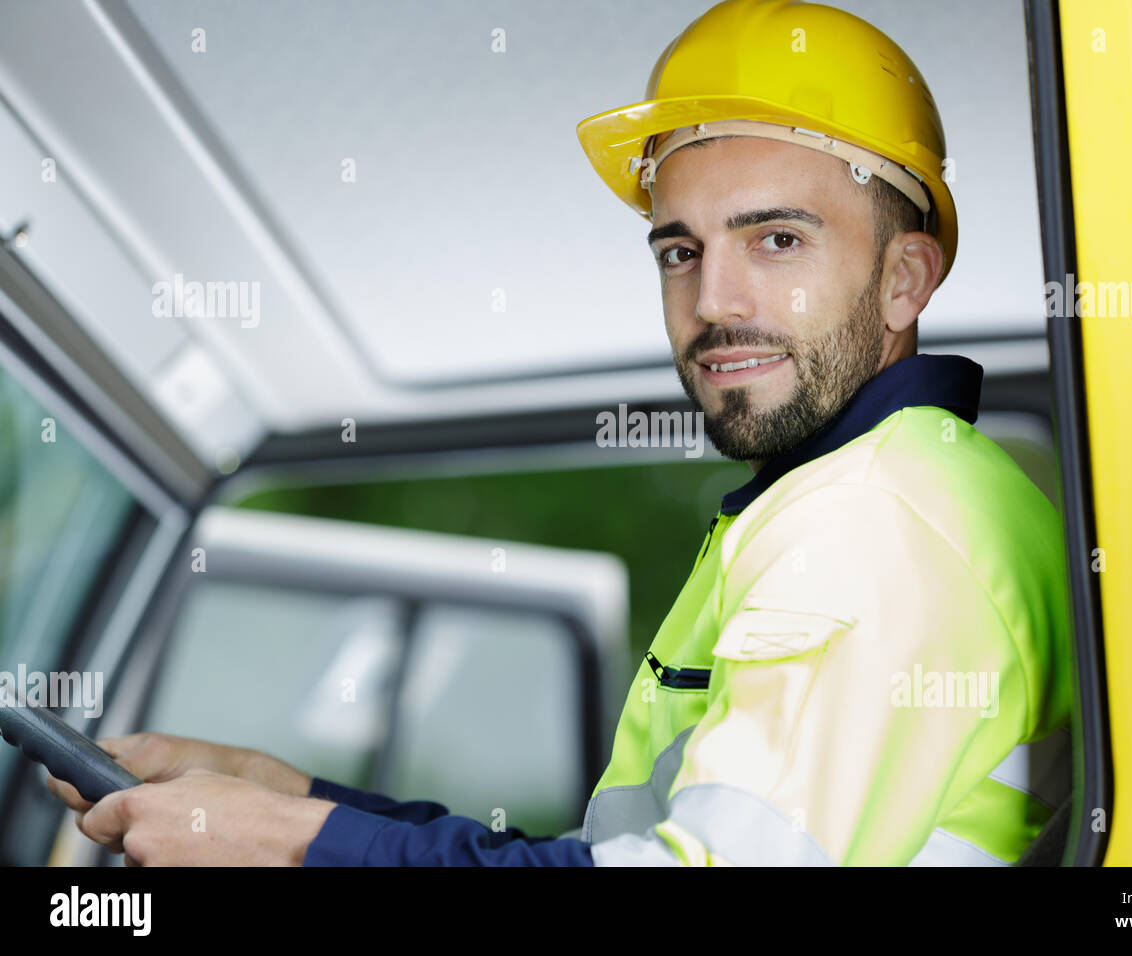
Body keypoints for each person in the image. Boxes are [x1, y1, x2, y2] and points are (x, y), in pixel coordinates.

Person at [48, 0, 1073, 866]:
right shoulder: (883, 489)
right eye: (680, 250)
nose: (714, 300)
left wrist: (290, 840)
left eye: (776, 239)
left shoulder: (872, 523)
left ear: (904, 279)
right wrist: (286, 794)